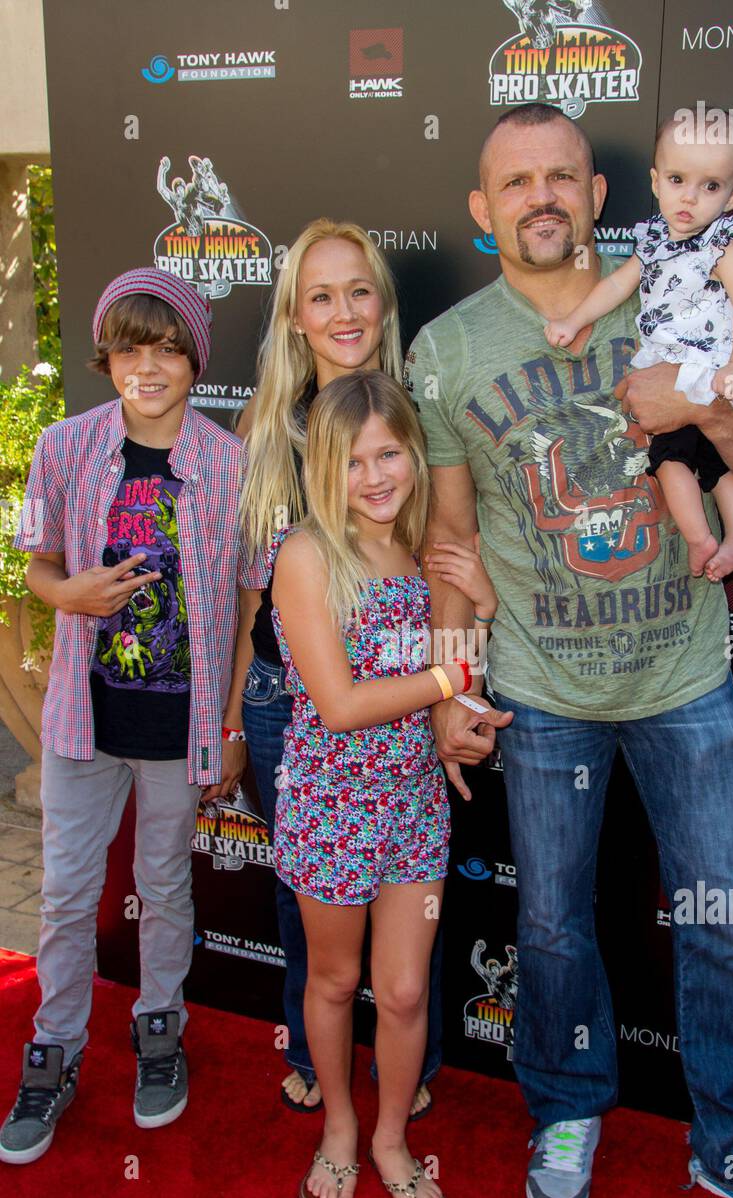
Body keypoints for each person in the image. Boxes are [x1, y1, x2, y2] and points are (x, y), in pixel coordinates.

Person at [405, 102, 733, 1198]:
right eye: (516, 182)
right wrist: (450, 686)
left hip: (685, 677)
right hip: (541, 693)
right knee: (547, 927)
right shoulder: (445, 350)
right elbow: (448, 542)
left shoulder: (683, 282)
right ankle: (564, 1109)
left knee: (723, 929)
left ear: (604, 197)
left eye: (563, 177)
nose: (541, 197)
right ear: (481, 211)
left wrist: (694, 403)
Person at [0, 268, 268, 1164]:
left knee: (166, 890)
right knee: (68, 897)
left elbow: (245, 607)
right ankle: (54, 1056)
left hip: (179, 730)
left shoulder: (230, 462)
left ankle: (160, 1033)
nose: (146, 367)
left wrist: (230, 721)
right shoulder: (64, 447)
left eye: (165, 348)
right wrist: (67, 590)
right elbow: (36, 565)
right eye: (128, 347)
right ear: (105, 354)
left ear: (195, 358)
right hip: (85, 720)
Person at [270, 369, 496, 1198]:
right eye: (353, 459)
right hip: (331, 807)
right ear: (324, 467)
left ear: (413, 452)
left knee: (403, 993)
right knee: (332, 982)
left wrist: (479, 603)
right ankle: (338, 1125)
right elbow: (341, 705)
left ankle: (392, 1137)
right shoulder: (304, 555)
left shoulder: (418, 552)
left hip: (413, 809)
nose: (374, 475)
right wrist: (449, 673)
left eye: (389, 453)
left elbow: (462, 678)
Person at [228, 219, 443, 1119]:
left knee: (400, 925)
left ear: (383, 305)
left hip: (403, 705)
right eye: (321, 295)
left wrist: (452, 685)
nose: (343, 310)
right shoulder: (270, 433)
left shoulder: (413, 418)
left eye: (359, 290)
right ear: (294, 317)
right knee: (311, 907)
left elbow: (448, 570)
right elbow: (249, 591)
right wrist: (237, 716)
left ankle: (403, 1076)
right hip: (291, 701)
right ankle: (323, 1071)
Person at [546, 107, 733, 584]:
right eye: (678, 180)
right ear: (656, 182)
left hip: (715, 367)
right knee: (690, 460)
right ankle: (718, 536)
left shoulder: (725, 244)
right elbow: (616, 287)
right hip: (672, 365)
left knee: (697, 459)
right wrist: (573, 319)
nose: (690, 198)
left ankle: (725, 536)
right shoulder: (654, 239)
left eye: (711, 187)